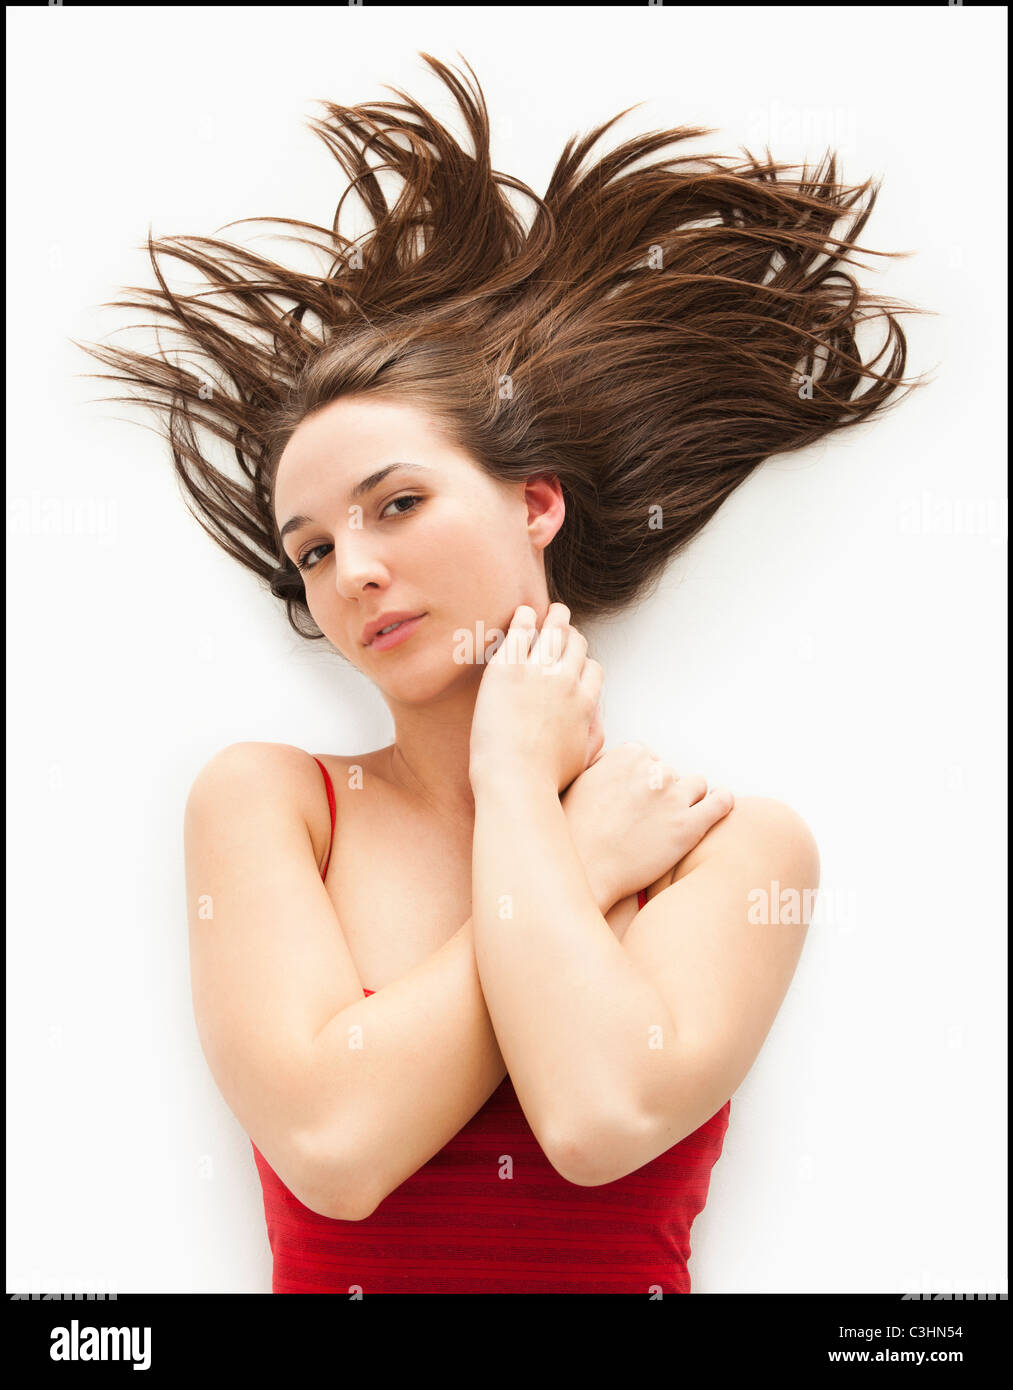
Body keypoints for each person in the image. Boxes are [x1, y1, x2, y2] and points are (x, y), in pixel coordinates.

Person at [73, 53, 926, 1292]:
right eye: (310, 549)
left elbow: (592, 1119)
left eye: (397, 504)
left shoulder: (728, 854)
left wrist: (521, 791)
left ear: (533, 505)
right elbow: (334, 1147)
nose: (350, 568)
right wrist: (571, 863)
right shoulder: (269, 805)